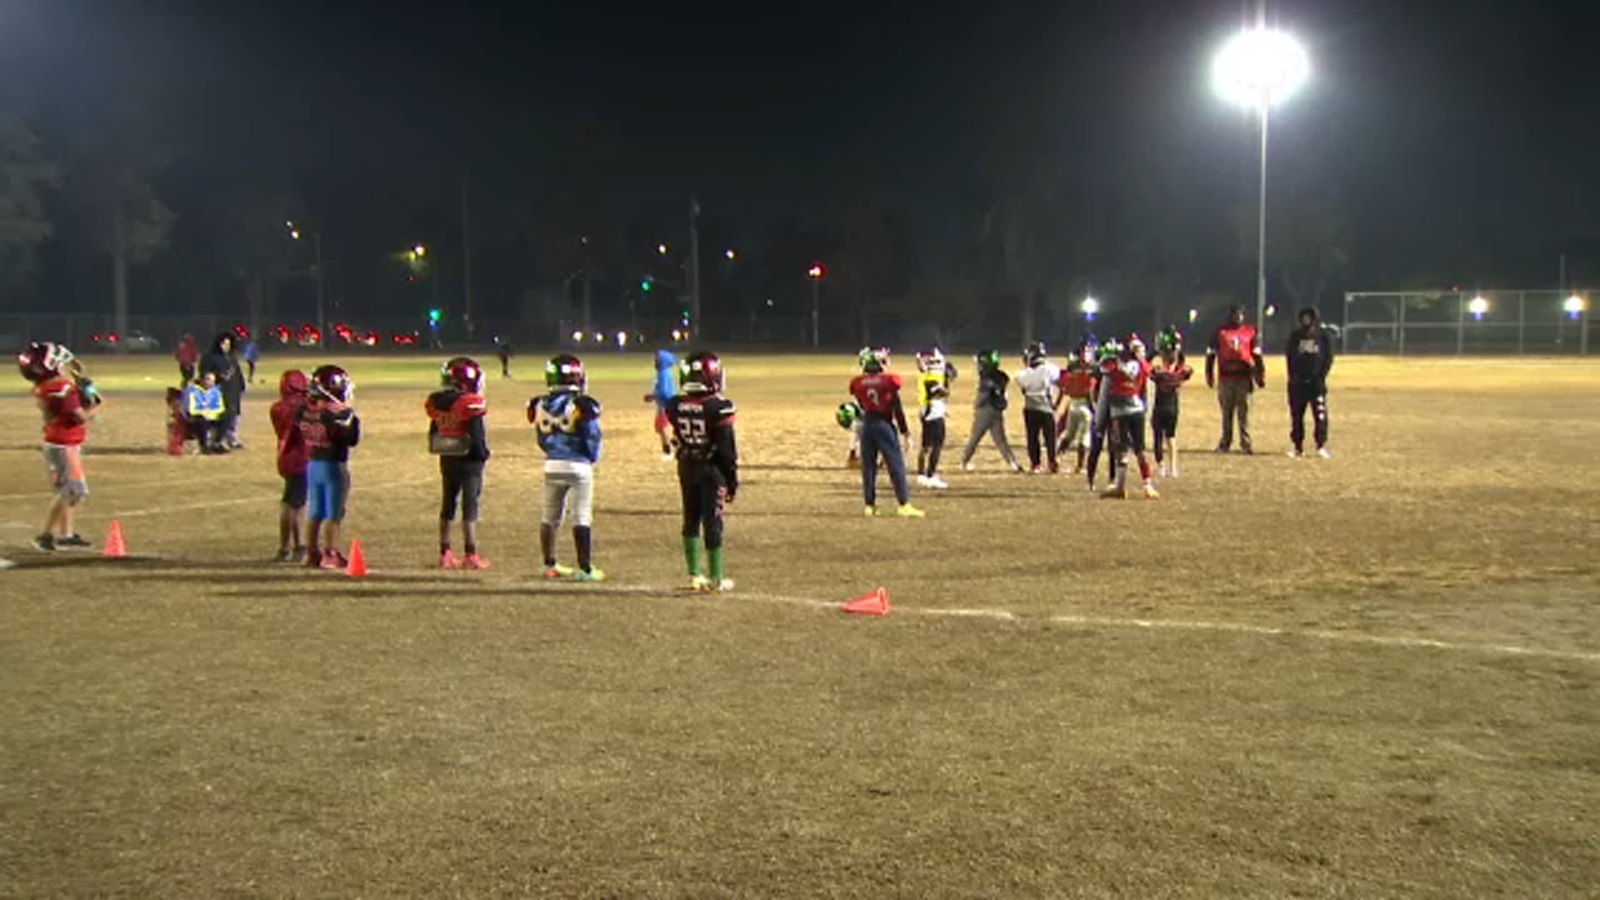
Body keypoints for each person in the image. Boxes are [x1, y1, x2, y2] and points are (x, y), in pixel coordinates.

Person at [665, 350, 739, 591]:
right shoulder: (719, 407)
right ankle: (716, 578)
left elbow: (677, 434)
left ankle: (694, 575)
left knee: (690, 517)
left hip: (686, 465)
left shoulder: (675, 405)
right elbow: (727, 450)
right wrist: (732, 479)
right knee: (713, 521)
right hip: (711, 469)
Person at [18, 342, 101, 550]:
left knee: (68, 491)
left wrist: (81, 389)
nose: (65, 368)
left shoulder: (45, 387)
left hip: (59, 442)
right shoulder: (60, 388)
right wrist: (96, 405)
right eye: (62, 364)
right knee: (72, 492)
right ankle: (46, 535)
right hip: (64, 444)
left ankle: (66, 534)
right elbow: (79, 417)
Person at [529, 354, 604, 581]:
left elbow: (541, 438)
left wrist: (553, 452)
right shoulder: (581, 405)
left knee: (550, 515)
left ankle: (548, 563)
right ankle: (585, 568)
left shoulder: (541, 403)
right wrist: (591, 457)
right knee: (580, 515)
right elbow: (592, 435)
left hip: (552, 463)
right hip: (578, 464)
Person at [428, 357, 492, 570]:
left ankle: (444, 552)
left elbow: (434, 432)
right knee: (470, 507)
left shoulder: (437, 401)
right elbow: (476, 434)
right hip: (469, 460)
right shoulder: (470, 403)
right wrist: (482, 454)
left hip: (448, 456)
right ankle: (470, 553)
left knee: (448, 504)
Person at [298, 365, 361, 570]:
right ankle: (331, 554)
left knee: (314, 511)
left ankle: (311, 553)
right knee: (334, 514)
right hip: (333, 465)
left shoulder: (304, 410)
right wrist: (350, 413)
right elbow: (351, 439)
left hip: (312, 463)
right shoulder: (340, 414)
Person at [849, 347, 924, 518]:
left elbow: (860, 404)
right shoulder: (889, 381)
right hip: (883, 424)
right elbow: (896, 407)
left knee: (868, 467)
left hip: (867, 424)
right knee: (895, 465)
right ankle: (904, 504)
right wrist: (905, 432)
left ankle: (870, 505)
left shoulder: (858, 382)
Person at [1098, 334, 1159, 500]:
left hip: (1121, 412)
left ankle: (1127, 486)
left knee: (1126, 449)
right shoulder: (1140, 365)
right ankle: (1140, 485)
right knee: (1133, 450)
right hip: (1134, 409)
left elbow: (1108, 371)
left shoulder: (1118, 365)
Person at [1205, 304, 1266, 454]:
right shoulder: (1220, 332)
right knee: (1227, 412)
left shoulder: (1250, 332)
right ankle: (1225, 442)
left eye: (1240, 315)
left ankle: (1246, 443)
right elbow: (1211, 354)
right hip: (1226, 378)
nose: (1237, 317)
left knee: (1244, 413)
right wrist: (1209, 374)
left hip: (1244, 378)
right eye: (1235, 315)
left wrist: (1260, 375)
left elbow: (1257, 355)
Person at [959, 349, 1023, 472]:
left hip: (985, 411)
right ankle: (1013, 463)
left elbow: (982, 397)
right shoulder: (1001, 376)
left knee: (975, 438)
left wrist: (976, 406)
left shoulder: (986, 379)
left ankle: (963, 462)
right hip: (997, 411)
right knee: (1001, 440)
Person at [269, 370, 309, 562]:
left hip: (285, 455)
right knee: (297, 505)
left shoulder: (277, 407)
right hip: (301, 456)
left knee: (287, 502)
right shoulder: (302, 408)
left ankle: (284, 547)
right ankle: (299, 545)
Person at [1285, 307, 1335, 458]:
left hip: (1316, 384)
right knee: (1297, 416)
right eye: (1303, 317)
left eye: (1309, 317)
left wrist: (1321, 376)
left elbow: (1328, 358)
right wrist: (1293, 376)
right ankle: (1298, 446)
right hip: (1298, 384)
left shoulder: (1323, 336)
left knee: (1320, 415)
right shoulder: (1295, 336)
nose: (1306, 320)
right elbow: (1290, 358)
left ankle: (1320, 445)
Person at [1149, 326, 1194, 477]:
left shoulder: (1159, 372)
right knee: (1171, 437)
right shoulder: (1180, 373)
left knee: (1157, 437)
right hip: (1173, 407)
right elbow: (1186, 368)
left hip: (1160, 406)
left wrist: (1155, 351)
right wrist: (1177, 348)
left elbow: (1146, 368)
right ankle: (1173, 467)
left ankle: (1161, 466)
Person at [1014, 341, 1061, 473]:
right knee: (1050, 437)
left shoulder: (1023, 374)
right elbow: (1059, 380)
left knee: (1032, 437)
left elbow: (1022, 383)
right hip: (1046, 407)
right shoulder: (1050, 369)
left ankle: (1036, 463)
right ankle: (1052, 461)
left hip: (1030, 407)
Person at [914, 347, 957, 489]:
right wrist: (947, 387)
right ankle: (930, 475)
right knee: (937, 445)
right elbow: (940, 393)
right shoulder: (933, 377)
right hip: (933, 413)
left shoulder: (926, 374)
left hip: (926, 411)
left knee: (925, 445)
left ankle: (921, 474)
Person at [1054, 338, 1097, 474]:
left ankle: (1057, 457)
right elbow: (1089, 394)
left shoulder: (1071, 376)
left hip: (1073, 404)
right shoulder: (1088, 376)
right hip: (1084, 406)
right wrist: (1094, 410)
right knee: (1084, 437)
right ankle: (1080, 466)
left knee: (1069, 435)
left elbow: (1064, 389)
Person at [204, 332, 247, 450]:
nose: (226, 346)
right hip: (220, 391)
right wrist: (218, 377)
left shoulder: (232, 357)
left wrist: (242, 386)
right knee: (221, 416)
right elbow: (205, 374)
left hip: (234, 390)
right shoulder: (210, 357)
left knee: (234, 415)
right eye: (223, 344)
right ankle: (217, 440)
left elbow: (238, 373)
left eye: (228, 344)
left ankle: (232, 440)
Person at [642, 348, 677, 459]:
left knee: (662, 428)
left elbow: (665, 392)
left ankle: (668, 451)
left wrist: (653, 396)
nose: (655, 361)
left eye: (657, 359)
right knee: (661, 428)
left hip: (665, 406)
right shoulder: (663, 373)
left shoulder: (663, 374)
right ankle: (674, 444)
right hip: (663, 405)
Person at [184, 371, 226, 453]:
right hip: (195, 417)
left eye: (212, 381)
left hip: (210, 416)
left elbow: (220, 407)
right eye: (208, 379)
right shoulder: (192, 391)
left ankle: (216, 444)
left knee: (226, 417)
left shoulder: (216, 391)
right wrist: (202, 412)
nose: (211, 383)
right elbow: (190, 408)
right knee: (201, 420)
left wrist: (210, 413)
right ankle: (204, 446)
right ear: (202, 380)